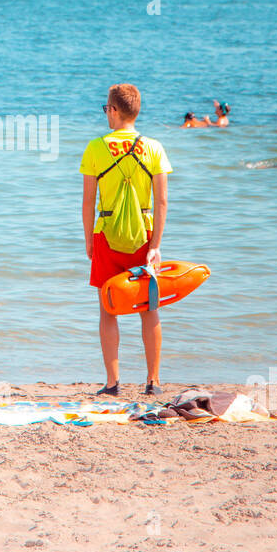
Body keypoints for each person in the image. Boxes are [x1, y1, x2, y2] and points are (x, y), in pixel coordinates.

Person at [81, 83, 172, 398]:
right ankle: (153, 381)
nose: (106, 113)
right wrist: (156, 245)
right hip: (144, 236)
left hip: (106, 234)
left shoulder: (96, 147)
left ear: (115, 110)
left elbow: (87, 201)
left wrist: (89, 240)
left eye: (106, 108)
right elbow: (161, 203)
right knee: (150, 309)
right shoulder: (154, 147)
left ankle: (112, 382)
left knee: (108, 310)